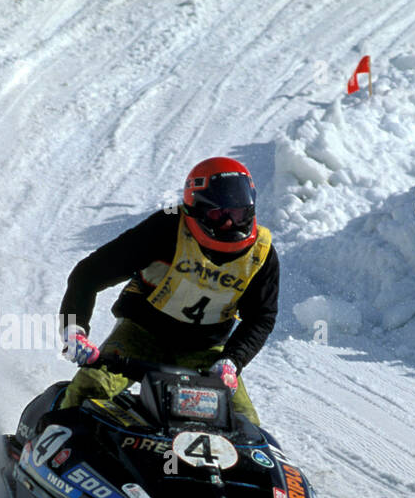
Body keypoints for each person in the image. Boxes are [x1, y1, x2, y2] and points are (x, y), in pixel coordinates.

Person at [58, 156, 279, 426]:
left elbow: (262, 316)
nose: (230, 223)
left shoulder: (262, 253)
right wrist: (74, 331)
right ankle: (48, 443)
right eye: (218, 215)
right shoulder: (166, 228)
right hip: (141, 336)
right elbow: (88, 274)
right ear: (196, 209)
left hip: (206, 350)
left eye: (238, 213)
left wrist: (232, 361)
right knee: (90, 390)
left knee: (244, 424)